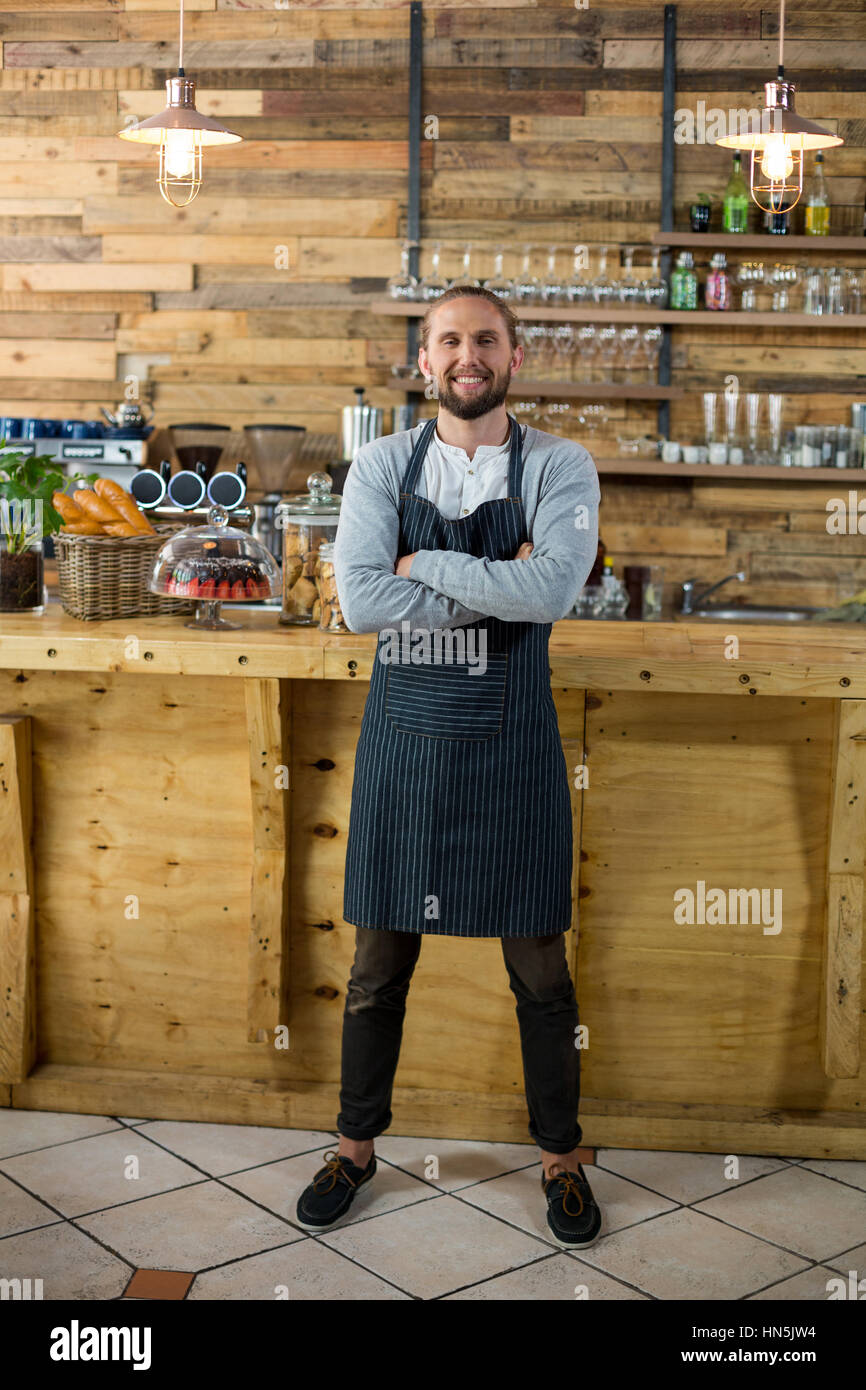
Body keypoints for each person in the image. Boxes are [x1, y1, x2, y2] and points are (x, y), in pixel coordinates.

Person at [296, 285, 602, 1248]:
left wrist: (421, 564)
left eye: (486, 340)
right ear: (423, 362)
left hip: (513, 748)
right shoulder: (382, 463)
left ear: (514, 356)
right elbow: (359, 601)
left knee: (542, 970)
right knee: (378, 967)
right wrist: (490, 585)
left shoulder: (562, 465)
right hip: (408, 750)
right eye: (448, 342)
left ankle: (561, 1158)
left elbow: (552, 584)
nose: (467, 356)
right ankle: (354, 1148)